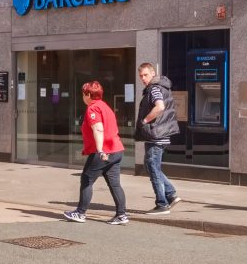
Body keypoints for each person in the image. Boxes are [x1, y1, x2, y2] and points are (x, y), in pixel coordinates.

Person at [62, 81, 128, 225]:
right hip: (116, 150)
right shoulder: (105, 107)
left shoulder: (93, 108)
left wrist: (99, 150)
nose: (83, 97)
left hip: (104, 151)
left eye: (84, 94)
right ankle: (122, 215)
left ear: (88, 95)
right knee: (115, 184)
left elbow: (98, 128)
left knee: (86, 180)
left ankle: (80, 213)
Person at [134, 62, 181, 214]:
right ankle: (171, 193)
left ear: (153, 74)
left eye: (145, 75)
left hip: (156, 135)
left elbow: (159, 106)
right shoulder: (160, 87)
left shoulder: (154, 88)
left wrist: (145, 120)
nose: (143, 78)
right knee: (151, 167)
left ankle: (162, 204)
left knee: (153, 168)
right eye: (141, 76)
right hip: (160, 134)